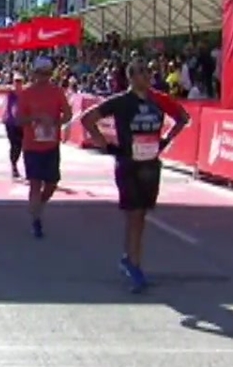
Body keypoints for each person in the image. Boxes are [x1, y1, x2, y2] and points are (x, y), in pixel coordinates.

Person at [79, 59, 188, 293]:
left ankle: (129, 259)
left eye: (148, 71)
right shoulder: (121, 102)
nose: (146, 76)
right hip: (128, 163)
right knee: (135, 214)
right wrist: (106, 145)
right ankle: (134, 265)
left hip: (150, 165)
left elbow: (183, 117)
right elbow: (87, 119)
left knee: (140, 216)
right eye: (140, 72)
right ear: (130, 78)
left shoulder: (158, 99)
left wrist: (166, 140)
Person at [17, 58, 73, 239]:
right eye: (41, 73)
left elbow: (68, 114)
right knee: (35, 183)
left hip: (51, 145)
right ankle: (36, 221)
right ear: (34, 74)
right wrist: (35, 118)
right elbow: (18, 120)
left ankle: (38, 205)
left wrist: (55, 122)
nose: (44, 77)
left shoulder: (57, 92)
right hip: (31, 145)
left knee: (52, 184)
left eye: (47, 73)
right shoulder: (26, 93)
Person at [3, 73, 26, 178]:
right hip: (10, 123)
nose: (18, 84)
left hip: (22, 124)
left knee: (20, 146)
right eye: (16, 81)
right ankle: (14, 166)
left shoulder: (26, 92)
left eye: (20, 81)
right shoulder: (10, 92)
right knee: (14, 145)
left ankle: (17, 165)